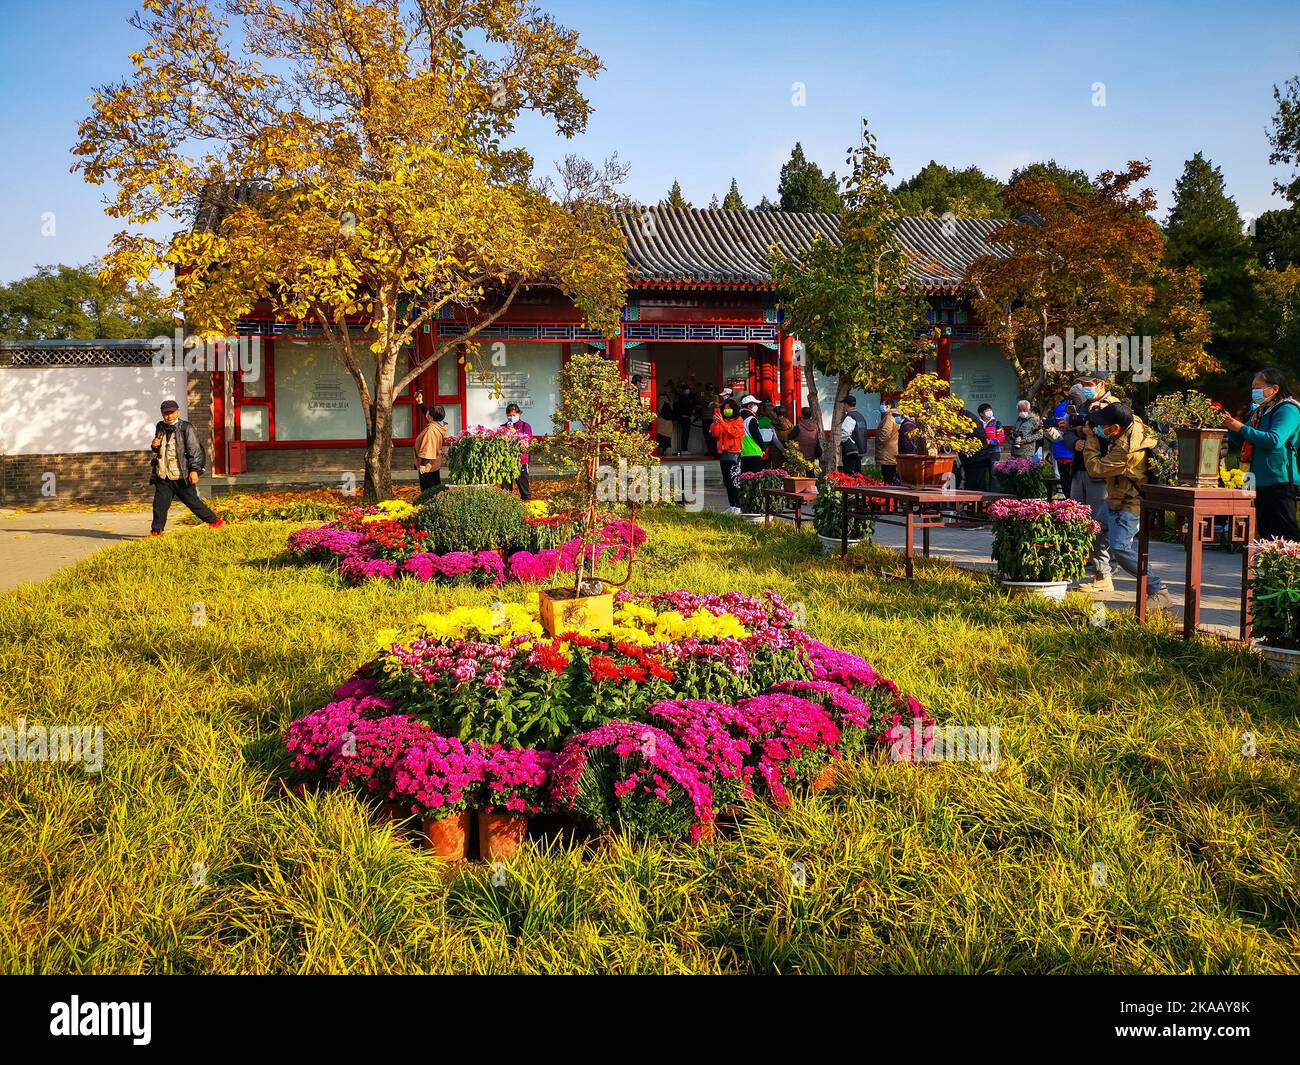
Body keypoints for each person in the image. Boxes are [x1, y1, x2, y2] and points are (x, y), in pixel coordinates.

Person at [1083, 403, 1173, 610]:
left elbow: (1095, 468)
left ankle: (1159, 591)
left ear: (1115, 428)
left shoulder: (1126, 451)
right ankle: (1103, 576)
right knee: (1095, 530)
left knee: (1120, 548)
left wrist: (1091, 438)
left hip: (1128, 504)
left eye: (1102, 426)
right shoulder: (1135, 424)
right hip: (1116, 498)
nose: (1099, 428)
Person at [1222, 368, 1300, 540]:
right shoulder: (1261, 411)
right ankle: (1270, 565)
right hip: (1258, 479)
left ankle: (1291, 566)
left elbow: (1274, 440)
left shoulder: (1288, 409)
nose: (1254, 391)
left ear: (1275, 388)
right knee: (1266, 531)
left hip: (1279, 479)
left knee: (1285, 533)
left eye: (1258, 387)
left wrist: (1241, 427)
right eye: (1252, 387)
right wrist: (1230, 425)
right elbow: (1244, 438)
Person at [1063, 377, 1115, 590]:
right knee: (1076, 519)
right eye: (1083, 385)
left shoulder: (1114, 407)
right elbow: (1066, 431)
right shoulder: (1080, 407)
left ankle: (1103, 574)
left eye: (1090, 385)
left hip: (1100, 474)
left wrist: (1091, 432)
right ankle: (1077, 566)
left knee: (1098, 525)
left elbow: (1115, 437)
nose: (1086, 389)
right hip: (1079, 471)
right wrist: (1075, 441)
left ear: (1102, 384)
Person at [149, 399, 222, 535]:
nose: (169, 416)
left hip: (180, 474)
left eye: (171, 413)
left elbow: (195, 450)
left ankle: (215, 522)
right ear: (162, 414)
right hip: (163, 474)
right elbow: (160, 449)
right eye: (166, 413)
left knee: (193, 503)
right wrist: (154, 446)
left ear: (178, 412)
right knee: (159, 505)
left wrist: (194, 471)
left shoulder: (186, 428)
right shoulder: (160, 426)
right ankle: (156, 532)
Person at [711, 397, 745, 513]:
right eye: (725, 409)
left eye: (729, 409)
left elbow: (734, 433)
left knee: (735, 481)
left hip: (734, 453)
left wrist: (722, 423)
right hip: (723, 453)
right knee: (727, 481)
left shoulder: (739, 420)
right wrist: (716, 423)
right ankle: (732, 505)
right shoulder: (722, 420)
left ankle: (738, 506)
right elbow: (715, 434)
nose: (726, 411)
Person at [414, 402, 449, 493]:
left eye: (429, 412)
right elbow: (429, 416)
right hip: (435, 462)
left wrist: (423, 465)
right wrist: (421, 403)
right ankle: (437, 503)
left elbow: (427, 447)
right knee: (435, 486)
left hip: (428, 465)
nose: (427, 413)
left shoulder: (431, 430)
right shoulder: (440, 425)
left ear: (431, 416)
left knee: (428, 490)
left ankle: (429, 505)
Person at [501, 403, 532, 500]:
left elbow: (528, 439)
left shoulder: (525, 426)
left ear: (519, 414)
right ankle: (506, 507)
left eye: (514, 415)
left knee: (523, 486)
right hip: (506, 461)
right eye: (509, 415)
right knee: (505, 489)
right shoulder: (503, 427)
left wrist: (515, 433)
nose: (511, 417)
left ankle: (527, 505)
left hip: (521, 460)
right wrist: (507, 432)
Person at [957, 408, 994, 490]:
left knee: (977, 482)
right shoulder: (963, 417)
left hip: (977, 458)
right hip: (970, 458)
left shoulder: (971, 419)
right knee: (970, 481)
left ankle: (978, 501)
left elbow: (980, 439)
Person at [839, 395, 870, 475]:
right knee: (857, 473)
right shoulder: (860, 416)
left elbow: (845, 433)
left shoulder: (850, 417)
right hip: (860, 450)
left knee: (849, 474)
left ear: (846, 405)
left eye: (844, 404)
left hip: (851, 450)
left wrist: (839, 441)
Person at [738, 394, 767, 475]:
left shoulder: (739, 418)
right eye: (755, 404)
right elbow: (757, 436)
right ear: (750, 406)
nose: (757, 406)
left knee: (745, 478)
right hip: (754, 451)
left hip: (743, 452)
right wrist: (763, 447)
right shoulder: (751, 419)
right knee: (755, 478)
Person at [875, 402, 900, 485]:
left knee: (888, 479)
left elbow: (884, 434)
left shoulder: (889, 418)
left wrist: (878, 445)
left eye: (883, 404)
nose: (881, 406)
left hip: (887, 453)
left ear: (889, 406)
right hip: (891, 452)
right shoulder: (895, 416)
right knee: (891, 477)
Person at [673, 385, 696, 455]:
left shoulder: (682, 398)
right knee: (685, 433)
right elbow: (688, 407)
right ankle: (684, 449)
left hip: (683, 418)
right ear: (684, 390)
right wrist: (692, 412)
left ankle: (684, 448)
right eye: (687, 390)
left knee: (685, 433)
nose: (689, 391)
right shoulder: (683, 398)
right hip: (685, 418)